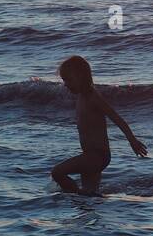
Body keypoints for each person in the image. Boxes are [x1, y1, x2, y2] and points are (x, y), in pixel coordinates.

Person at [50, 55, 147, 195]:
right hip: (90, 155)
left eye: (69, 80)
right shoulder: (81, 98)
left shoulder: (93, 97)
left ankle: (72, 195)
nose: (66, 84)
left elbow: (117, 118)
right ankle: (86, 203)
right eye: (64, 80)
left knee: (57, 172)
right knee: (89, 196)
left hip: (97, 156)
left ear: (81, 76)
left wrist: (132, 140)